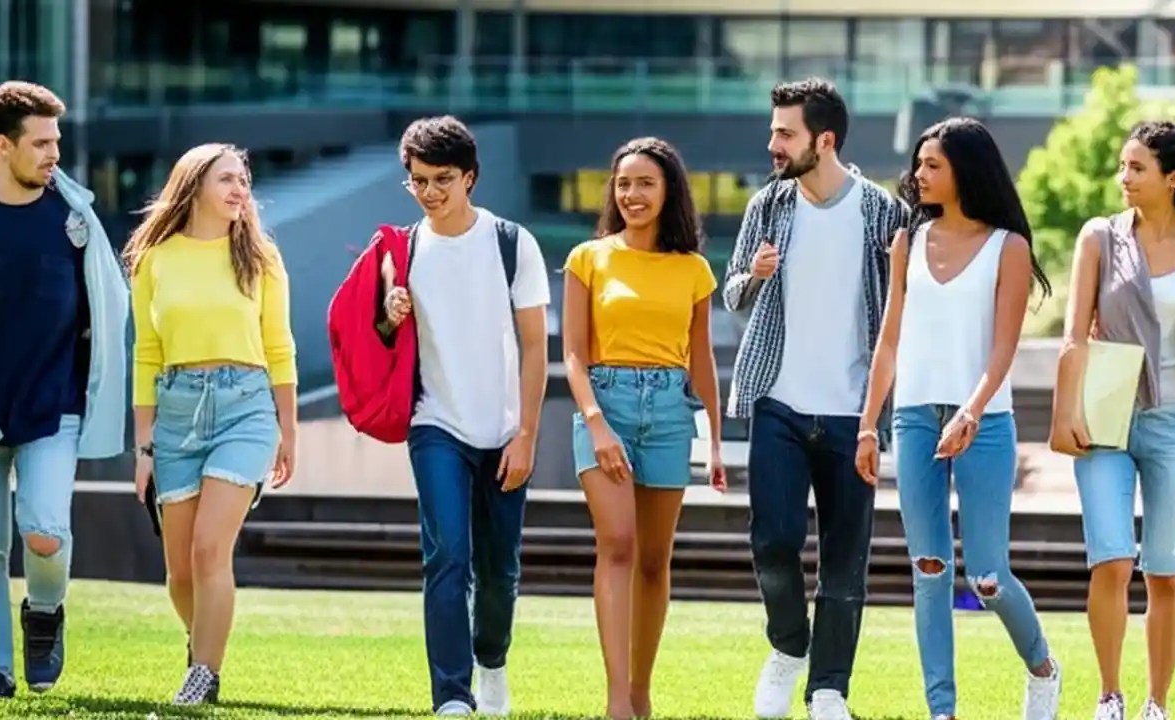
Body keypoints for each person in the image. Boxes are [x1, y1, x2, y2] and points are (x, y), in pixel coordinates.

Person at [854, 117, 1062, 720]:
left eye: (933, 165)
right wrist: (868, 425)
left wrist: (971, 410)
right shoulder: (907, 242)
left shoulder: (1008, 247)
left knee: (988, 576)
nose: (918, 175)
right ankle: (941, 710)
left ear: (965, 170)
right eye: (919, 164)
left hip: (985, 423)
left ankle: (1042, 666)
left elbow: (1004, 347)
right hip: (914, 419)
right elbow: (889, 341)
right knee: (929, 569)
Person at [723, 77, 908, 720]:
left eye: (785, 133)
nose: (772, 144)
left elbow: (906, 303)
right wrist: (754, 276)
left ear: (823, 140)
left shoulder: (882, 212)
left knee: (845, 560)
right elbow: (732, 292)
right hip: (777, 400)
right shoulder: (768, 205)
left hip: (854, 412)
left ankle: (829, 688)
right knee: (773, 541)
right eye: (773, 131)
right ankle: (788, 645)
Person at [1052, 120, 1175, 720]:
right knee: (1111, 559)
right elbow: (1072, 334)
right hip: (1104, 420)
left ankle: (1158, 703)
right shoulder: (1099, 238)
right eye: (1122, 165)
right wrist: (1065, 412)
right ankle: (1110, 695)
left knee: (1166, 570)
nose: (1123, 177)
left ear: (1173, 178)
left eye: (1137, 168)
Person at [380, 116, 550, 717]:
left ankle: (492, 661)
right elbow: (380, 336)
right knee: (447, 556)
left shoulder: (511, 243)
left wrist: (526, 434)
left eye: (442, 179)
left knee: (499, 572)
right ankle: (452, 695)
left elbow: (536, 346)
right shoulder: (402, 250)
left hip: (504, 428)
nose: (429, 192)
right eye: (418, 180)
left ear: (470, 177)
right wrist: (389, 313)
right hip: (436, 425)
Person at [0, 81, 129, 698]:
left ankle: (44, 611)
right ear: (3, 146)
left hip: (53, 403)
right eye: (40, 143)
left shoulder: (74, 217)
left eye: (56, 141)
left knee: (45, 531)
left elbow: (107, 309)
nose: (54, 154)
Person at [123, 143, 298, 705]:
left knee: (208, 550)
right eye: (227, 179)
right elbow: (146, 354)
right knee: (179, 572)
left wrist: (288, 430)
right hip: (175, 413)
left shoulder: (261, 258)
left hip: (246, 408)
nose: (240, 189)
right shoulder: (153, 258)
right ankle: (200, 642)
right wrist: (144, 447)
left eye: (244, 180)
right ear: (193, 185)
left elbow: (280, 348)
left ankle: (204, 674)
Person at [562, 137, 726, 720]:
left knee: (655, 560)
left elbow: (701, 357)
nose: (632, 194)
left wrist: (715, 439)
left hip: (670, 414)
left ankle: (640, 692)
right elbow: (573, 354)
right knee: (619, 545)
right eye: (624, 183)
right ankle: (615, 702)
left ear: (668, 190)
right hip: (605, 404)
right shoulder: (588, 258)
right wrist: (597, 424)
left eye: (645, 183)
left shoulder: (694, 269)